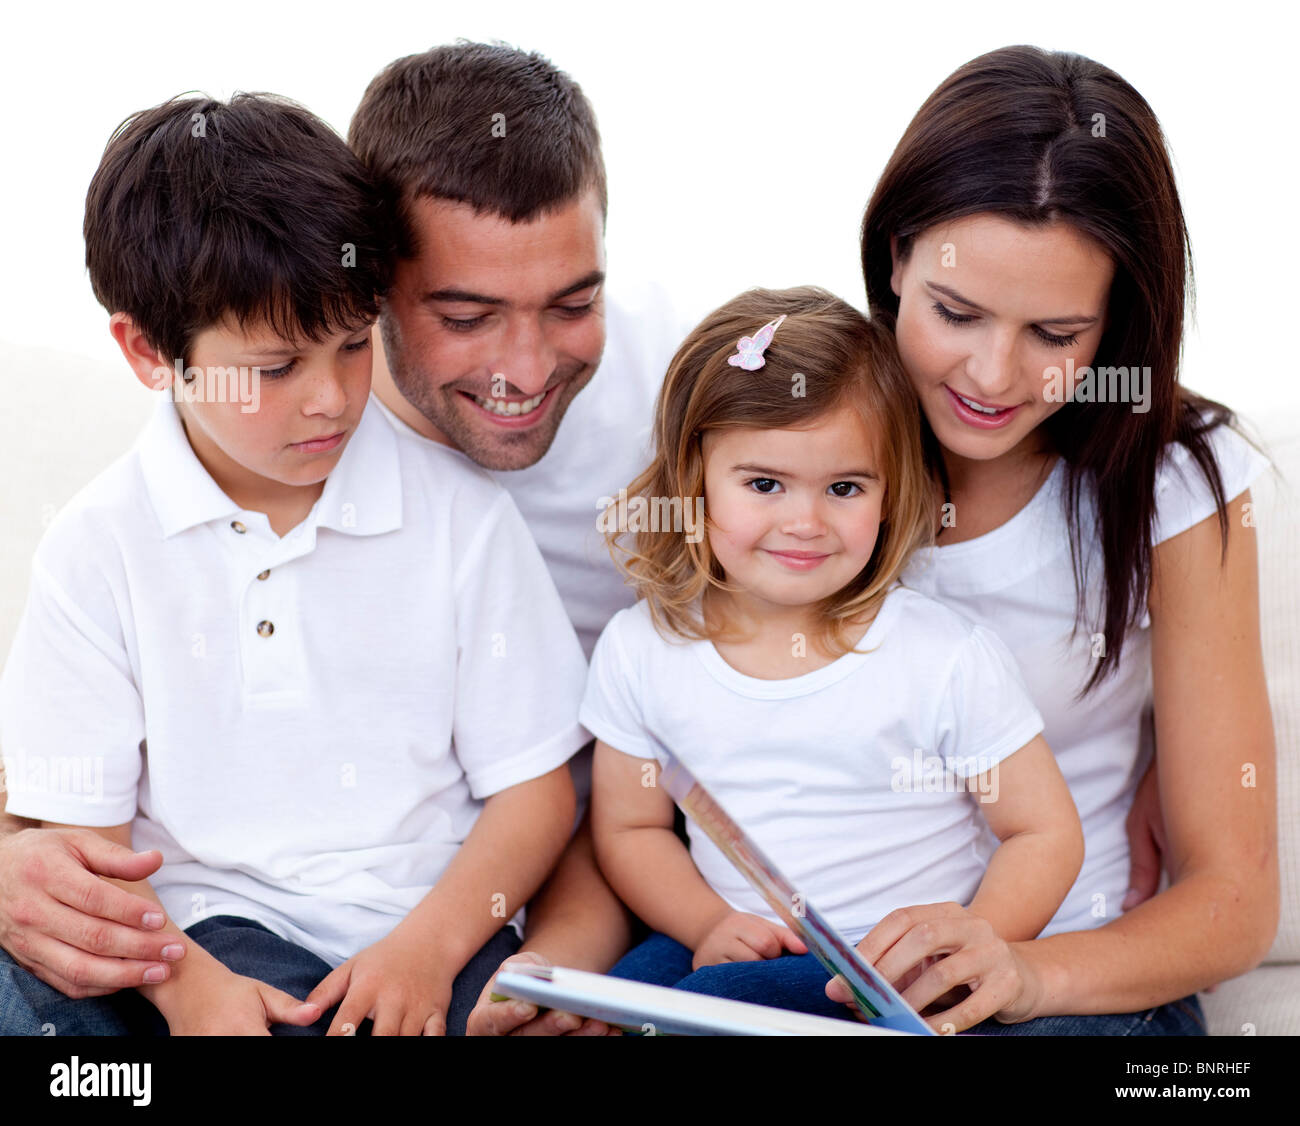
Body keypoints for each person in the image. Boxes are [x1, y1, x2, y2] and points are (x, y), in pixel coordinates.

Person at [0, 92, 587, 1035]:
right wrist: (188, 989)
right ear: (149, 351)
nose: (330, 401)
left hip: (429, 926)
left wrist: (428, 952)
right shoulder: (97, 546)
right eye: (274, 370)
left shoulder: (463, 521)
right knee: (38, 1001)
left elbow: (535, 794)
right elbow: (81, 853)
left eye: (354, 346)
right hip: (203, 933)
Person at [818, 44, 1277, 1034]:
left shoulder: (1175, 482)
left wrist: (1022, 976)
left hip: (1072, 986)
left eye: (1054, 335)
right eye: (955, 312)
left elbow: (1232, 898)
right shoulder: (798, 439)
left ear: (1113, 326)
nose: (991, 375)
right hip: (826, 984)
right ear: (895, 257)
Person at [581, 286, 1084, 1026]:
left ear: (890, 494)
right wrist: (703, 924)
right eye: (764, 484)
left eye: (844, 487)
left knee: (699, 1010)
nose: (805, 522)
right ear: (694, 484)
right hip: (731, 941)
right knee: (603, 1003)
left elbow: (1043, 832)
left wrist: (967, 951)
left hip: (880, 972)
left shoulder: (941, 655)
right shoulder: (641, 648)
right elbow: (632, 828)